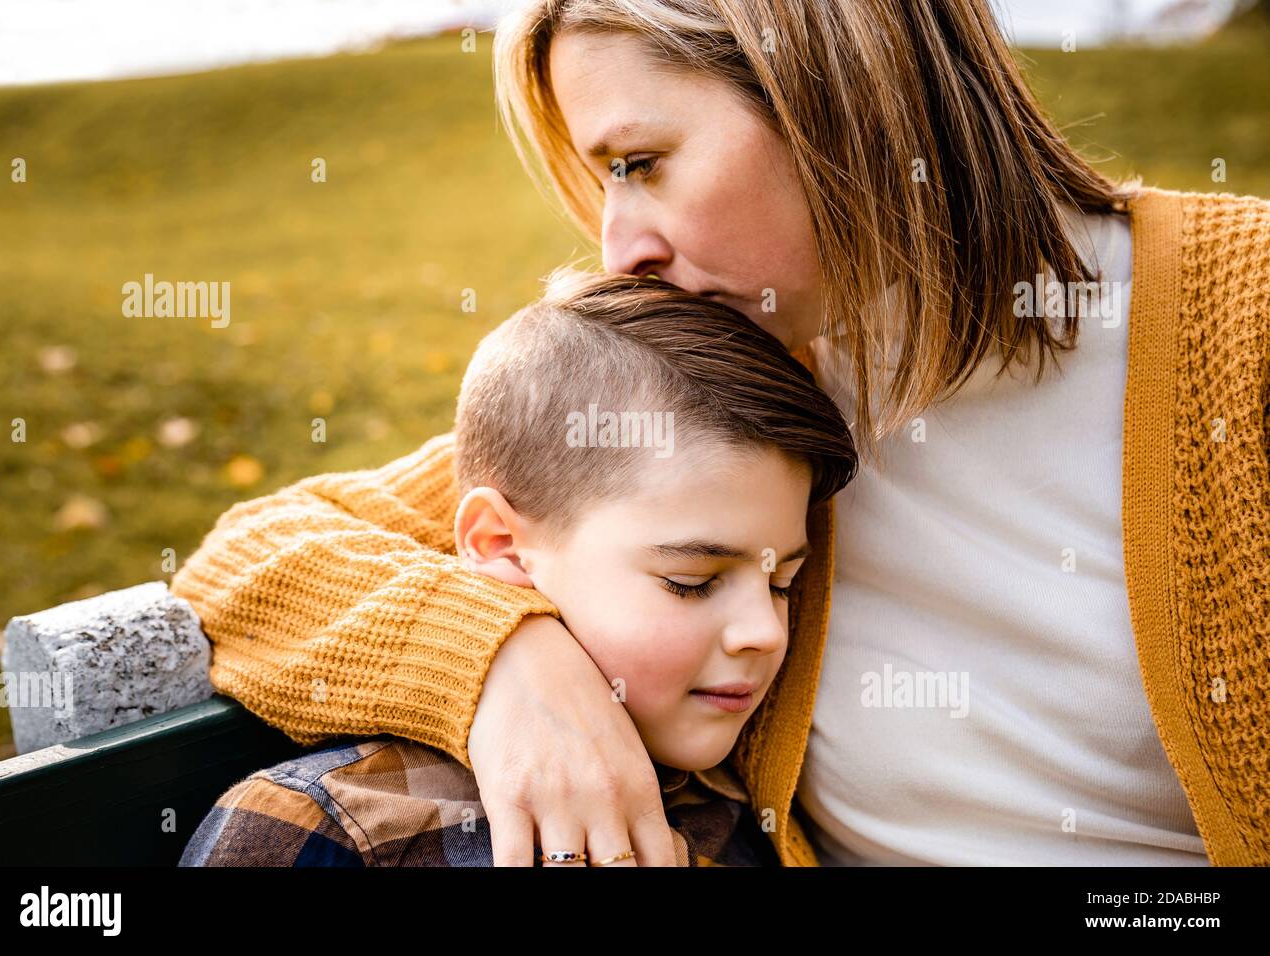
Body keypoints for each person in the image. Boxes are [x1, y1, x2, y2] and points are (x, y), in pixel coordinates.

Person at [169, 0, 1270, 865]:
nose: (617, 247)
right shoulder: (746, 383)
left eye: (638, 162)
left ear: (834, 96)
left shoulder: (1240, 315)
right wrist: (506, 663)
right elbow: (257, 558)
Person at [177, 268, 856, 866]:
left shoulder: (738, 805)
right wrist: (501, 646)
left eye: (781, 584)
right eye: (692, 581)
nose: (765, 632)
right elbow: (244, 553)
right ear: (499, 543)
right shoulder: (330, 829)